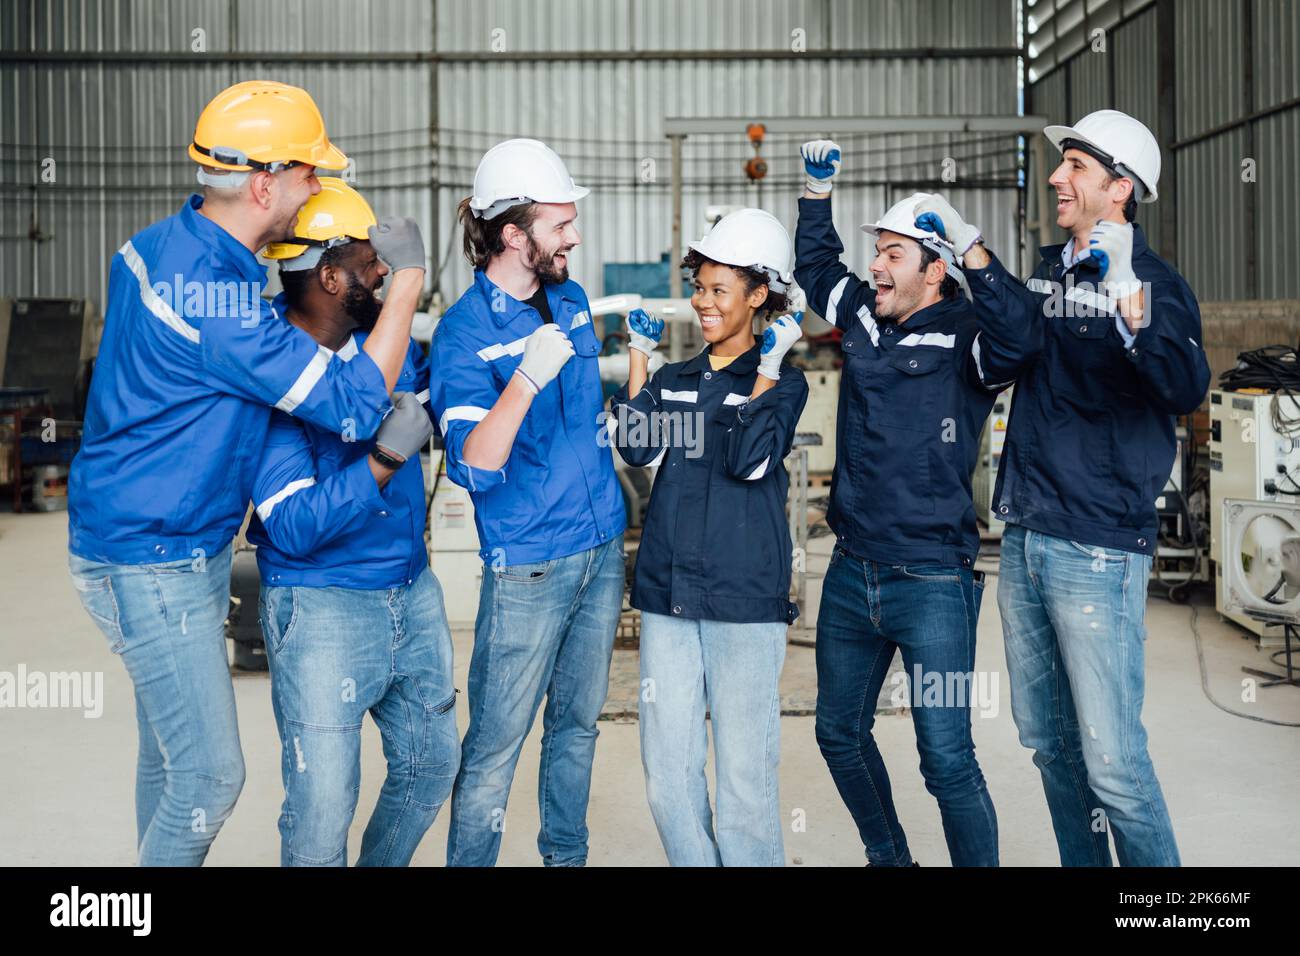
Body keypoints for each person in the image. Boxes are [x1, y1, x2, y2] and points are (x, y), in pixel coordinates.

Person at [65, 80, 426, 866]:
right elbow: (354, 403)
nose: (317, 191)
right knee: (207, 775)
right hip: (152, 557)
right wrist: (404, 290)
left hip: (131, 538)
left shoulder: (159, 247)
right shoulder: (223, 308)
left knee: (166, 759)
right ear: (265, 182)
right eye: (309, 177)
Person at [919, 110, 1210, 866]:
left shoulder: (1155, 285)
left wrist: (1128, 303)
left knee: (1113, 762)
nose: (1056, 177)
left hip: (1098, 548)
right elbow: (1016, 334)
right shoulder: (1051, 271)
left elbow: (1182, 384)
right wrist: (969, 251)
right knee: (1049, 743)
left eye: (1075, 166)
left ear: (1120, 189)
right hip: (1027, 534)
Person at [795, 140, 1037, 866]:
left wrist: (973, 247)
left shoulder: (970, 338)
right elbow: (816, 271)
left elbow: (1024, 337)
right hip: (851, 571)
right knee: (838, 731)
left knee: (946, 759)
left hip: (931, 579)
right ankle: (890, 856)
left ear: (936, 269)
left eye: (894, 254)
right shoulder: (865, 318)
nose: (876, 266)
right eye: (878, 253)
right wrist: (816, 193)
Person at [244, 179, 457, 866]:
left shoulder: (387, 341)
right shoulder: (269, 371)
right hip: (320, 606)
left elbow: (421, 393)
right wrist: (383, 462)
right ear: (330, 276)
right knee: (322, 808)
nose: (386, 274)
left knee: (431, 770)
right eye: (372, 264)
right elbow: (295, 526)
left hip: (411, 592)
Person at [427, 139, 625, 867]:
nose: (575, 236)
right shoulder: (463, 336)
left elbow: (586, 415)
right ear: (515, 235)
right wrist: (523, 381)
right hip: (531, 568)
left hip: (601, 547)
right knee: (495, 744)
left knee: (576, 727)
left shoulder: (570, 297)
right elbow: (474, 467)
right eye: (561, 224)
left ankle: (563, 859)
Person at [609, 208, 808, 866]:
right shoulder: (679, 380)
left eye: (719, 291)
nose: (702, 302)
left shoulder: (786, 382)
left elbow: (749, 460)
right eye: (700, 288)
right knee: (667, 775)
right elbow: (637, 445)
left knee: (746, 782)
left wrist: (769, 370)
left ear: (760, 298)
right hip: (668, 595)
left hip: (743, 600)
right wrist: (640, 358)